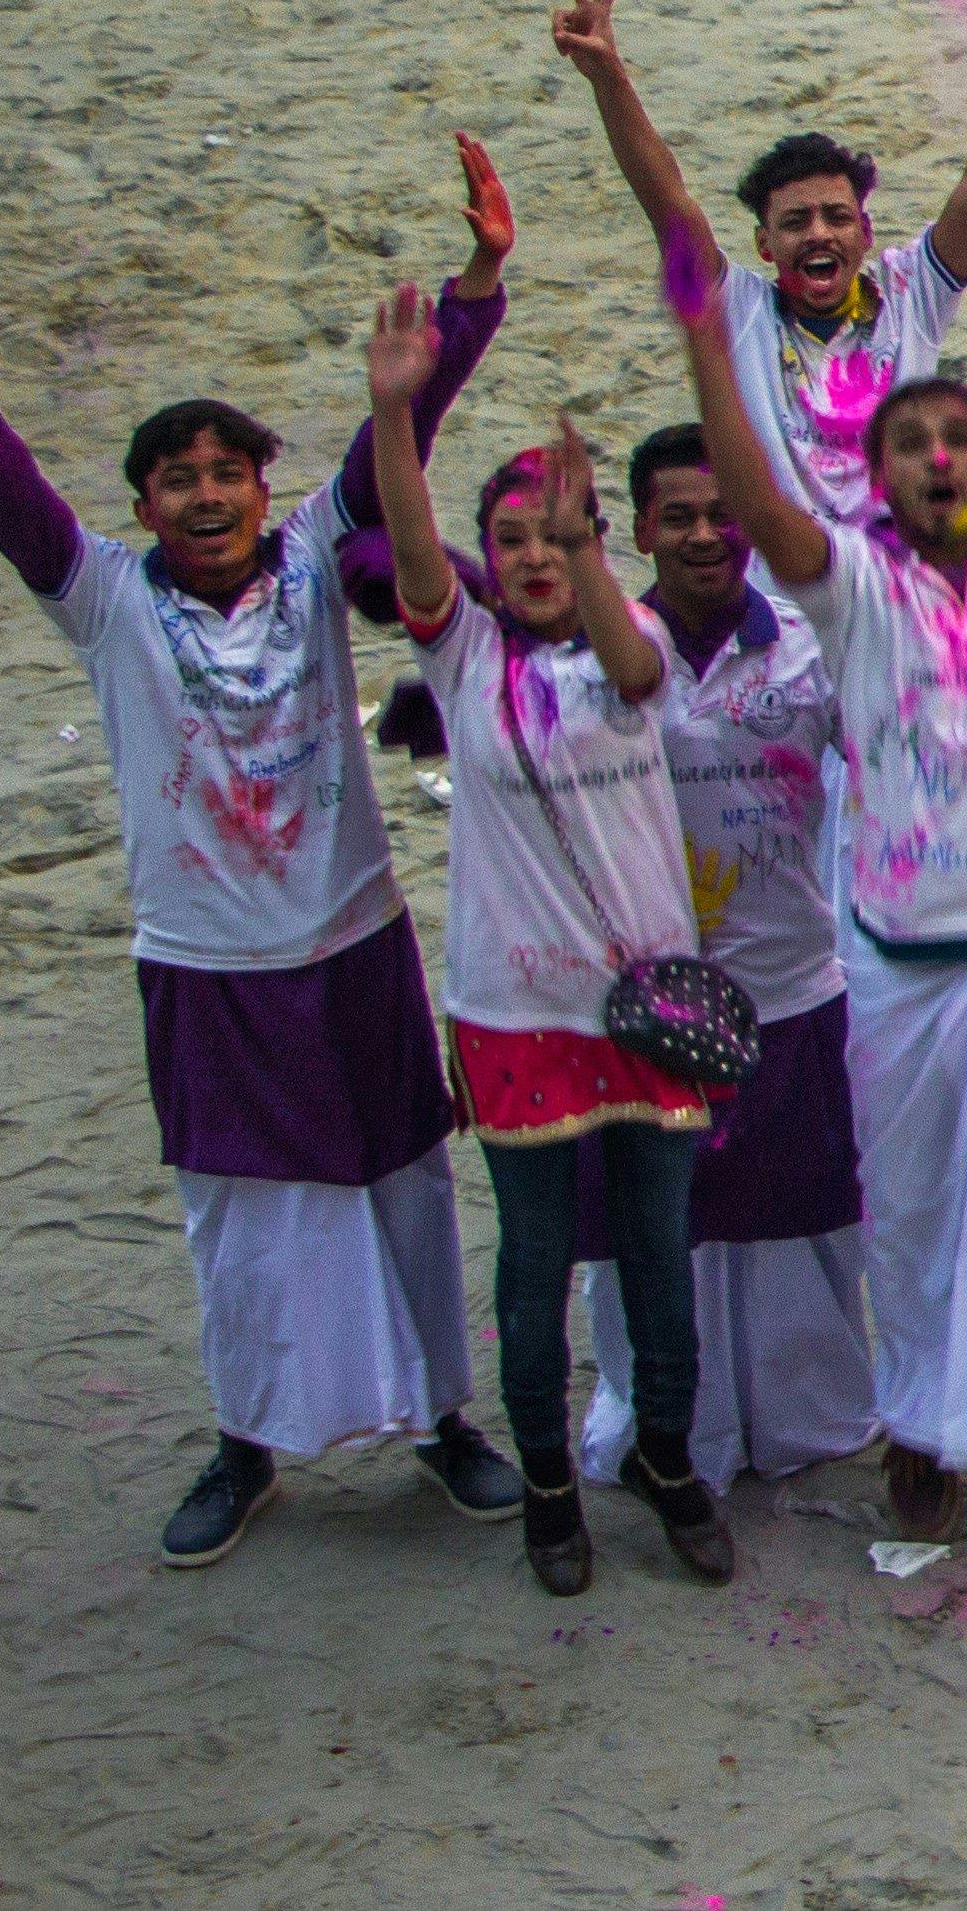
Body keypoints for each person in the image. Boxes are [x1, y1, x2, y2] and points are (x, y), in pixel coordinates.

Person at [0, 171, 521, 1567]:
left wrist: (474, 288)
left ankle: (444, 1424)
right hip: (204, 963)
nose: (209, 494)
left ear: (259, 487)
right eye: (180, 478)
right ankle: (247, 1443)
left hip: (350, 935)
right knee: (235, 1216)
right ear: (144, 503)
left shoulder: (310, 555)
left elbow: (403, 420)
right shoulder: (101, 594)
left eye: (228, 470)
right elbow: (4, 484)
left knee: (405, 1179)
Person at [666, 191, 967, 1555]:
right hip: (904, 954)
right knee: (923, 1203)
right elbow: (758, 495)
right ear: (875, 476)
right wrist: (710, 342)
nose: (941, 456)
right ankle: (927, 1436)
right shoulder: (848, 582)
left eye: (959, 435)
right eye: (910, 443)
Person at [381, 394, 727, 1593]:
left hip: (649, 1014)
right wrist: (392, 405)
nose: (533, 556)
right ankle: (545, 1488)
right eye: (513, 536)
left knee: (656, 1254)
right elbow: (409, 537)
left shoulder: (636, 636)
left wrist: (585, 554)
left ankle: (668, 1462)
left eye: (559, 534)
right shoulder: (461, 652)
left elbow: (633, 671)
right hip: (515, 1015)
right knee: (532, 1264)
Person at [584, 418, 879, 1493]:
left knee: (801, 1223)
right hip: (643, 1004)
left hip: (794, 978)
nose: (705, 535)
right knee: (660, 1236)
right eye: (679, 516)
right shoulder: (603, 650)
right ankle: (668, 1430)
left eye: (723, 512)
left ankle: (809, 1419)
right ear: (638, 529)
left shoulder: (811, 640)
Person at [547, 0, 967, 526]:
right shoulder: (740, 311)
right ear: (764, 245)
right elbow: (664, 194)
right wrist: (608, 76)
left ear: (865, 230)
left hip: (896, 588)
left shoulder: (910, 294)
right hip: (786, 597)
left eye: (836, 216)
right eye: (794, 222)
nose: (818, 234)